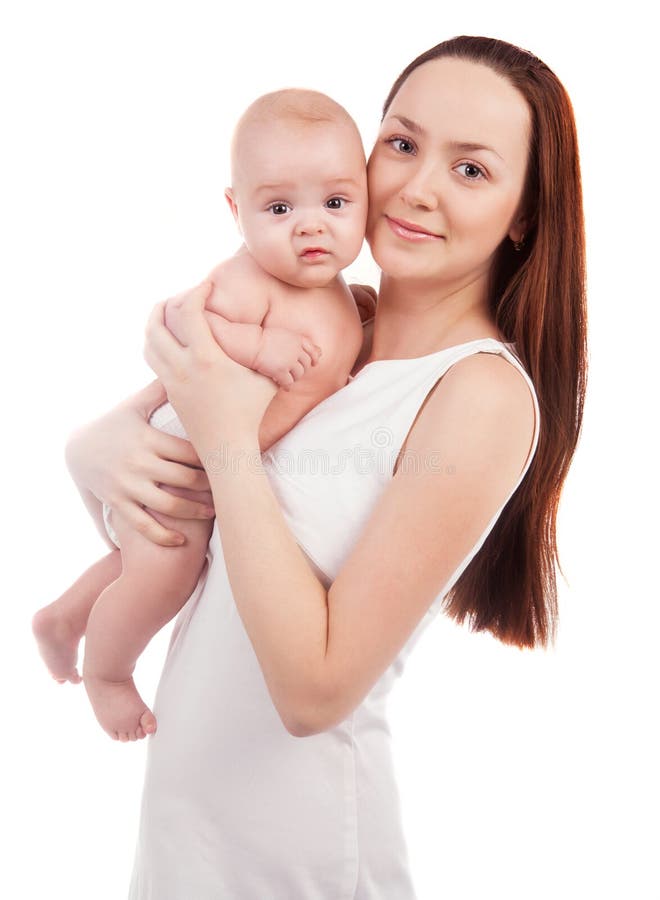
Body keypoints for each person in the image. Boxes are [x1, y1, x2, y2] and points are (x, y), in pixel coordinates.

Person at [62, 35, 587, 898]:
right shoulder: (341, 331)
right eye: (404, 143)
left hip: (301, 863)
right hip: (187, 843)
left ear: (524, 214)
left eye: (472, 169)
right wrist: (91, 448)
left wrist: (228, 442)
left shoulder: (479, 394)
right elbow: (137, 467)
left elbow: (314, 694)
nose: (417, 188)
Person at [32, 88, 374, 741]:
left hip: (212, 477)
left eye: (335, 203)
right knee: (165, 576)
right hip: (175, 460)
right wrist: (258, 345)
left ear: (365, 200)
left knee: (146, 565)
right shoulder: (248, 279)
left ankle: (63, 618)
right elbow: (180, 322)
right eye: (279, 207)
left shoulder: (344, 296)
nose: (310, 225)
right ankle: (107, 672)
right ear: (235, 211)